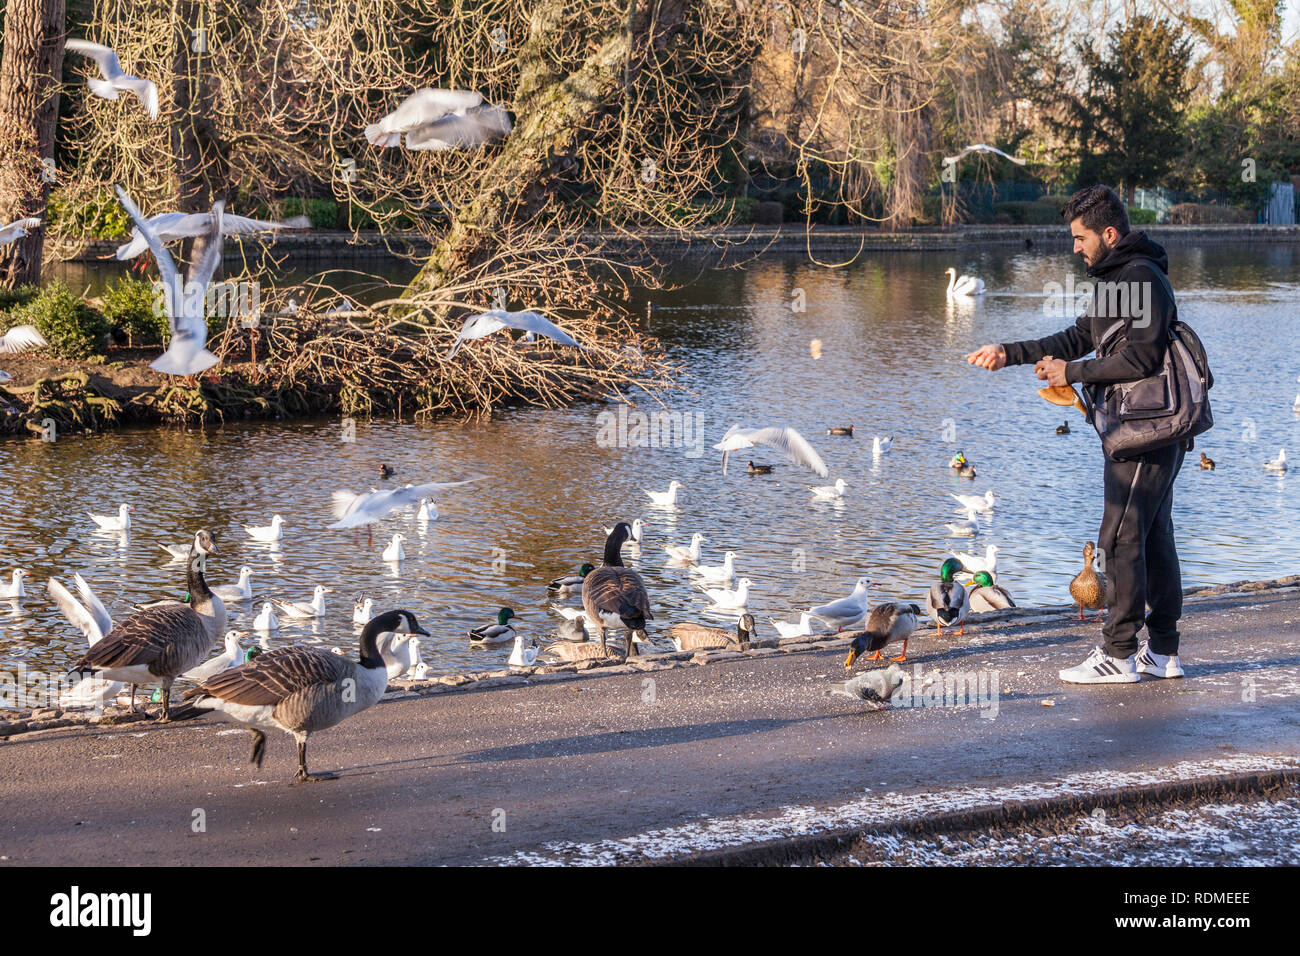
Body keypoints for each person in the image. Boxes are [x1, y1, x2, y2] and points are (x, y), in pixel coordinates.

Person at [966, 184, 1187, 685]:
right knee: (1152, 537)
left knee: (1118, 537)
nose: (1075, 247)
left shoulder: (1142, 278)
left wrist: (1075, 373)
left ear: (1109, 234)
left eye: (1081, 237)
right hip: (1146, 429)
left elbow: (1143, 358)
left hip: (1147, 431)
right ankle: (1163, 652)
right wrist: (1009, 352)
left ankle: (1119, 653)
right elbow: (1077, 339)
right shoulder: (1118, 280)